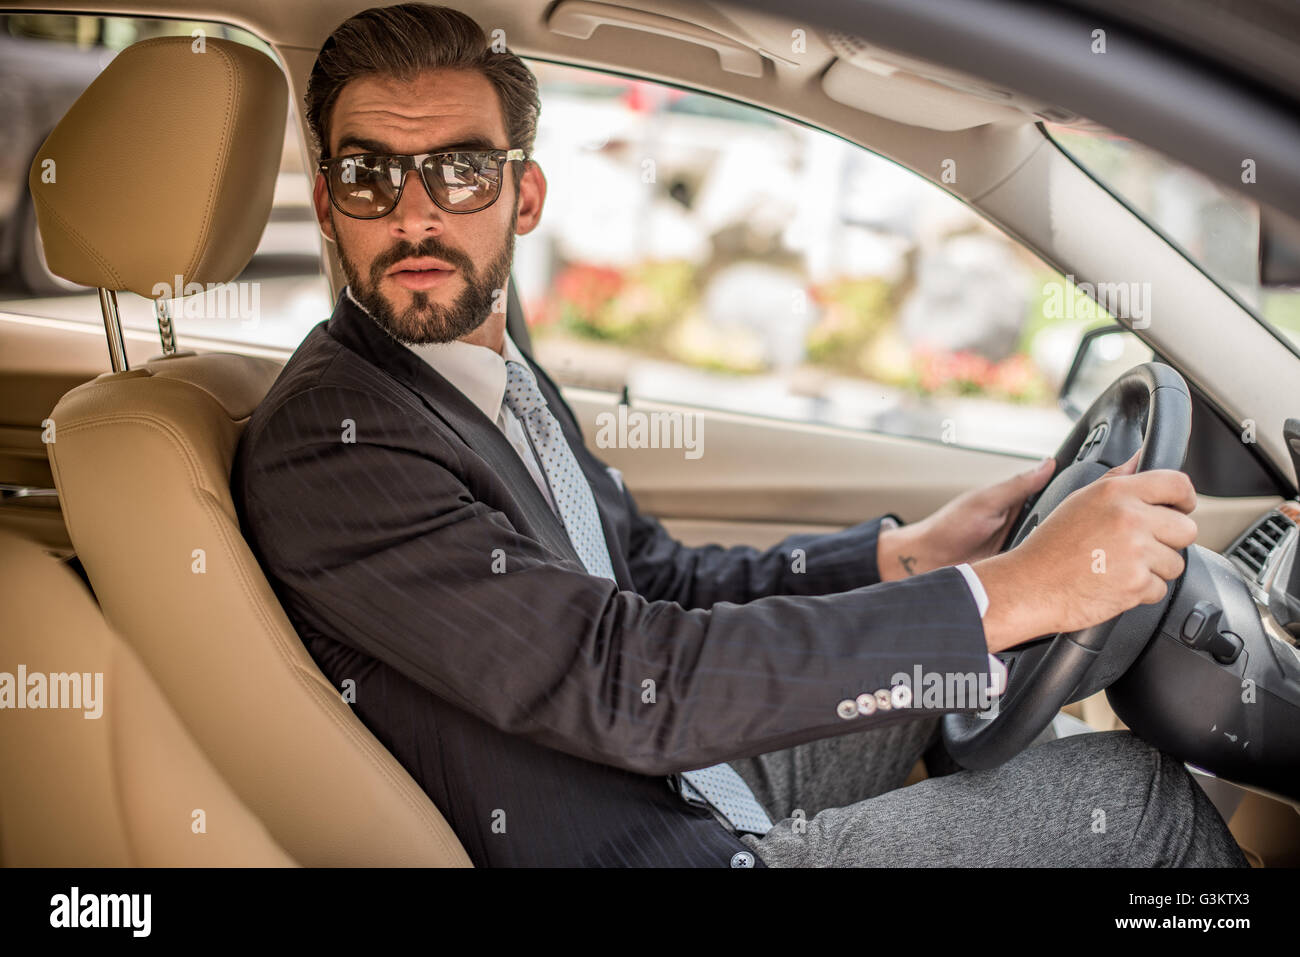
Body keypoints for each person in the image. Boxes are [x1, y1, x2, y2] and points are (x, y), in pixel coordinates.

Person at [231, 2, 1246, 868]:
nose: (413, 216)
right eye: (369, 175)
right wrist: (1015, 591)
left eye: (458, 172)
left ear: (522, 195)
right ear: (327, 204)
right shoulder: (336, 438)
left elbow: (654, 583)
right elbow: (624, 681)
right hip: (655, 844)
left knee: (950, 692)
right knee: (1130, 800)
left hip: (685, 776)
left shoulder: (485, 373)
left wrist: (909, 557)